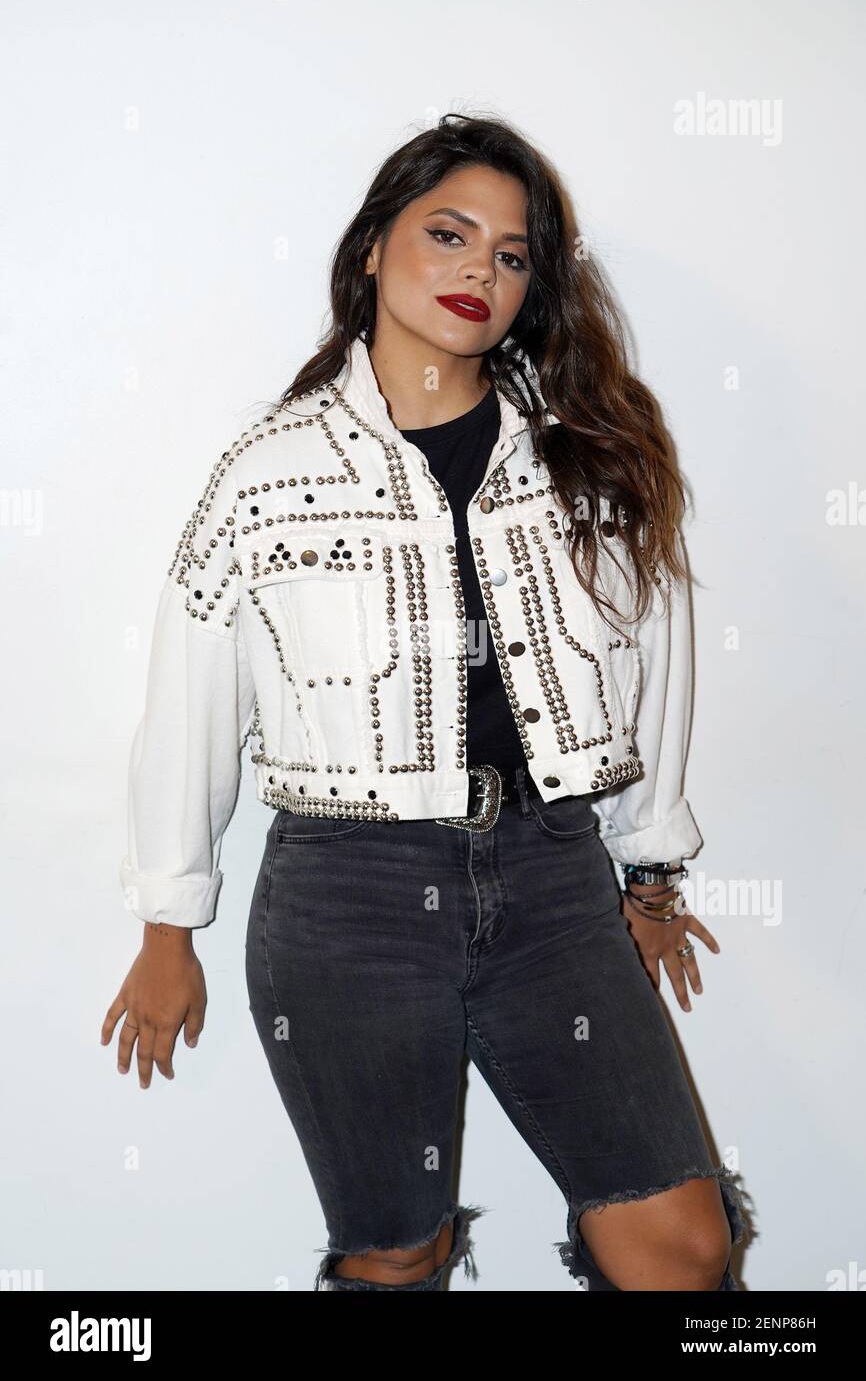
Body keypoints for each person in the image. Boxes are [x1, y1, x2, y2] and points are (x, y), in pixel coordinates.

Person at [103, 112, 748, 1291]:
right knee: (397, 1250)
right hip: (345, 898)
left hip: (552, 880)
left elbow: (657, 664)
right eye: (446, 235)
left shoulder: (584, 455)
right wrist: (165, 926)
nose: (476, 272)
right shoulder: (269, 470)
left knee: (680, 1247)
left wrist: (646, 874)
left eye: (509, 256)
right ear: (370, 252)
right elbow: (185, 695)